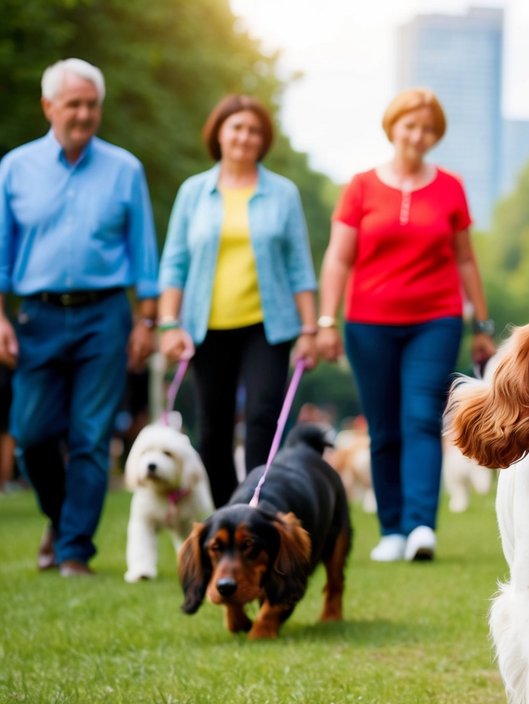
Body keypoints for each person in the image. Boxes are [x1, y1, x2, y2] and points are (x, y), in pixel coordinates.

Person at [316, 88, 495, 563]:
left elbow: (466, 259)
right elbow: (338, 258)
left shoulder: (450, 187)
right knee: (383, 427)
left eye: (428, 129)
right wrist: (325, 320)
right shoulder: (360, 187)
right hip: (368, 323)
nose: (418, 135)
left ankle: (420, 527)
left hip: (435, 320)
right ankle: (391, 529)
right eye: (410, 125)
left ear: (436, 136)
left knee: (421, 417)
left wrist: (482, 322)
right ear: (392, 127)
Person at [0, 58, 159, 576]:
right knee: (30, 434)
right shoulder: (15, 168)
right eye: (74, 104)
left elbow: (144, 252)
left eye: (92, 105)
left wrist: (146, 321)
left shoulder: (125, 169)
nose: (85, 114)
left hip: (105, 316)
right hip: (37, 317)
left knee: (91, 436)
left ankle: (73, 551)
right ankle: (61, 518)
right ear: (49, 107)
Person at [157, 94, 319, 504]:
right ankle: (228, 515)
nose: (245, 137)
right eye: (237, 128)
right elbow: (174, 262)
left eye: (254, 131)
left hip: (268, 327)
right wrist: (168, 323)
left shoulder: (283, 194)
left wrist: (310, 329)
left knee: (263, 417)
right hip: (206, 327)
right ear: (219, 133)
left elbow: (300, 267)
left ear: (263, 140)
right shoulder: (193, 192)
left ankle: (261, 507)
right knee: (214, 428)